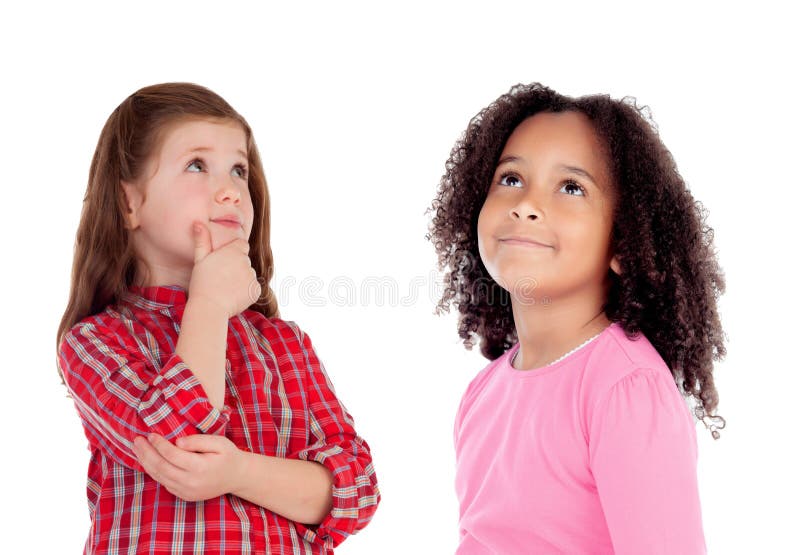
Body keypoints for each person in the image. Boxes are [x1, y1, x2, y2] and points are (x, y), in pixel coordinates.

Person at [56, 82, 379, 554]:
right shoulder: (95, 342)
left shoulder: (285, 344)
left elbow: (357, 489)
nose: (230, 190)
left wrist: (238, 472)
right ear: (130, 203)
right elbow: (178, 441)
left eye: (239, 170)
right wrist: (207, 304)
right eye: (197, 165)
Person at [426, 82, 726, 554]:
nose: (526, 205)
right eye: (510, 179)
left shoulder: (627, 390)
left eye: (571, 187)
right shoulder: (481, 394)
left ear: (624, 244)